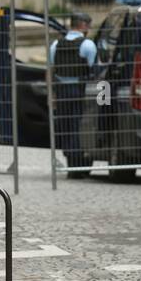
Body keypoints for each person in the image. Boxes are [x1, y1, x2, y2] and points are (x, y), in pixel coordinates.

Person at [48, 12, 97, 168]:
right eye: (88, 24)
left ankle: (71, 160)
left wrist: (52, 95)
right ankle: (78, 163)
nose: (89, 28)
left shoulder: (55, 44)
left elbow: (50, 71)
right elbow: (95, 71)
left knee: (66, 125)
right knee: (79, 125)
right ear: (82, 25)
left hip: (62, 91)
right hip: (80, 90)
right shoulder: (88, 45)